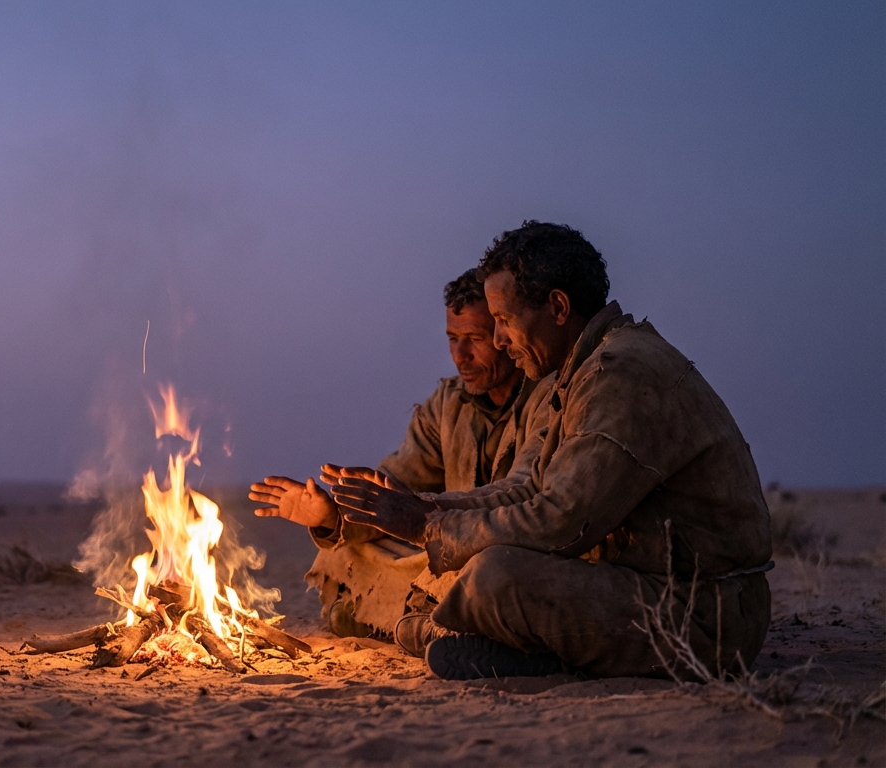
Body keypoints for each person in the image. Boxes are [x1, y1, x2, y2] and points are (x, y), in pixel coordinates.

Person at [317, 221, 773, 680]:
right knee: (476, 563)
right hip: (652, 590)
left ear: (557, 307)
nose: (499, 340)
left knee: (497, 573)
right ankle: (498, 644)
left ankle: (498, 645)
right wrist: (421, 511)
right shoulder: (581, 373)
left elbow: (559, 520)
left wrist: (425, 524)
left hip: (702, 616)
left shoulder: (620, 373)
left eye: (503, 320)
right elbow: (528, 490)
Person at [249, 269, 554, 638]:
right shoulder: (447, 404)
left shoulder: (548, 396)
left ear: (506, 333)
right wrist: (331, 517)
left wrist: (426, 514)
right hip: (449, 548)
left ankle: (424, 618)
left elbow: (527, 498)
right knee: (344, 551)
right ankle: (422, 615)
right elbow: (394, 489)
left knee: (491, 568)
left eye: (475, 338)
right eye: (453, 339)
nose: (460, 356)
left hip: (505, 548)